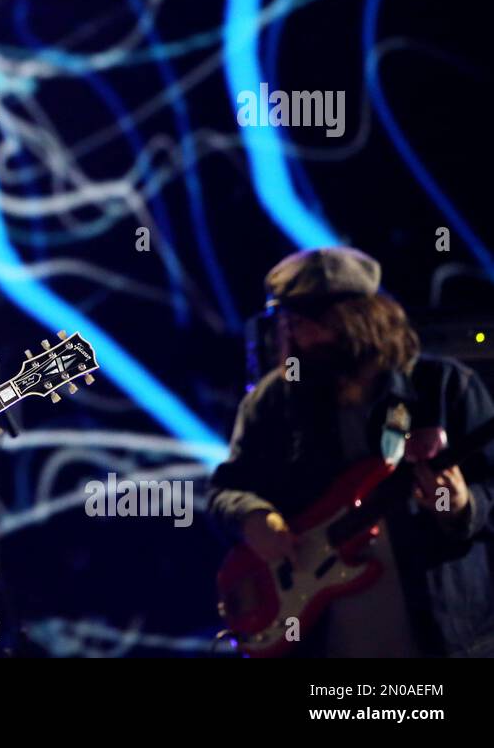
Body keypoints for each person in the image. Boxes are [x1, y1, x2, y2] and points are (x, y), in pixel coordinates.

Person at [208, 247, 494, 657]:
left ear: (365, 319)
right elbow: (223, 492)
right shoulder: (272, 403)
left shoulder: (445, 387)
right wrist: (250, 515)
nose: (304, 336)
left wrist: (464, 506)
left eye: (319, 322)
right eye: (293, 323)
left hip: (445, 639)